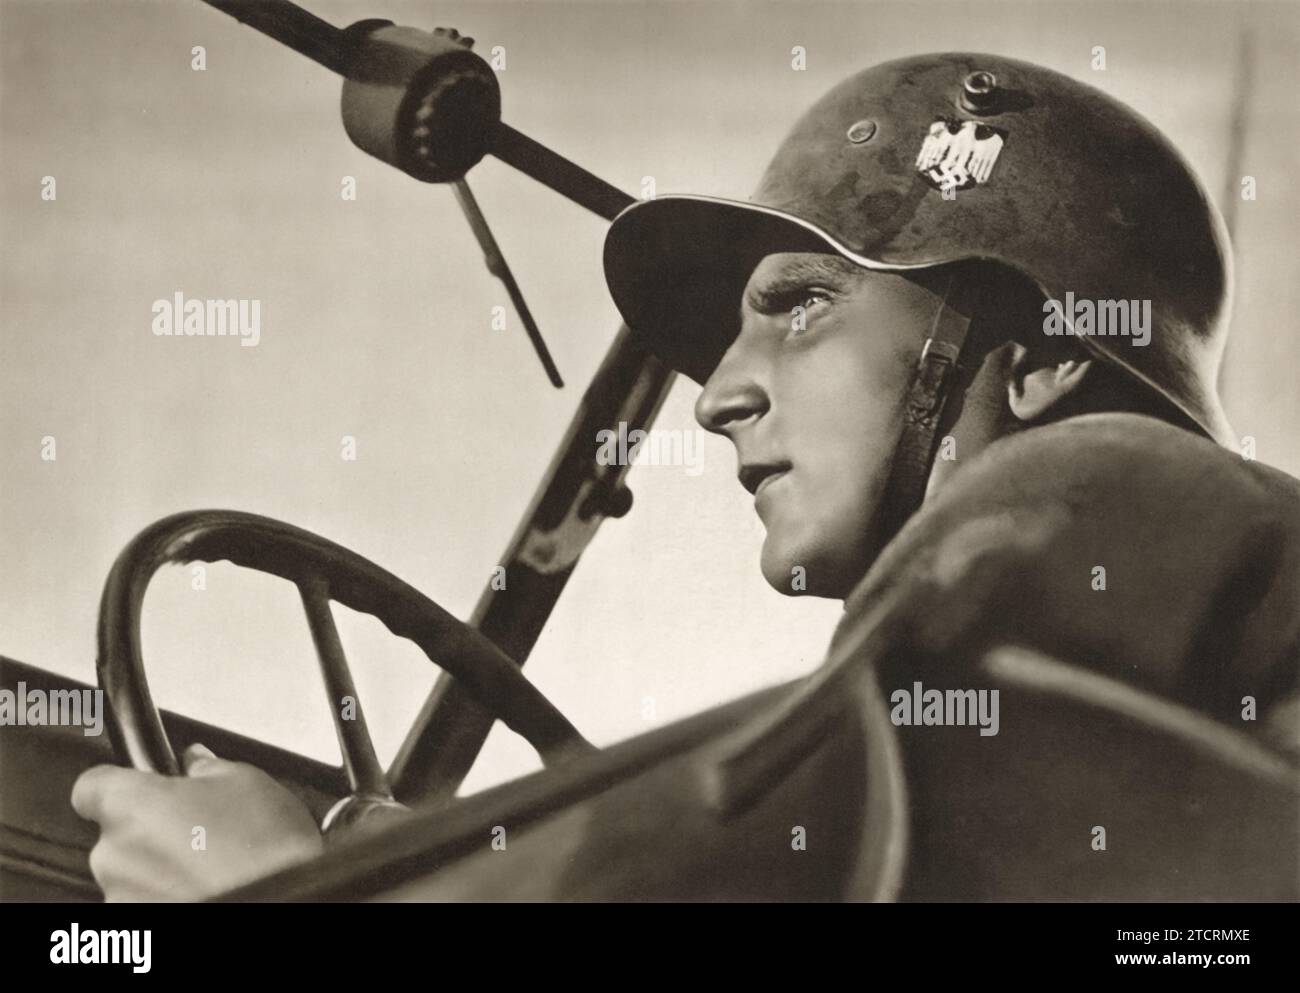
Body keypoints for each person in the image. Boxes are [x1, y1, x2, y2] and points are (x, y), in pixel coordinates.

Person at [71, 52, 1300, 901]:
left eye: (800, 307)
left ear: (1030, 360)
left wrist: (302, 895)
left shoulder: (1118, 482)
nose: (717, 395)